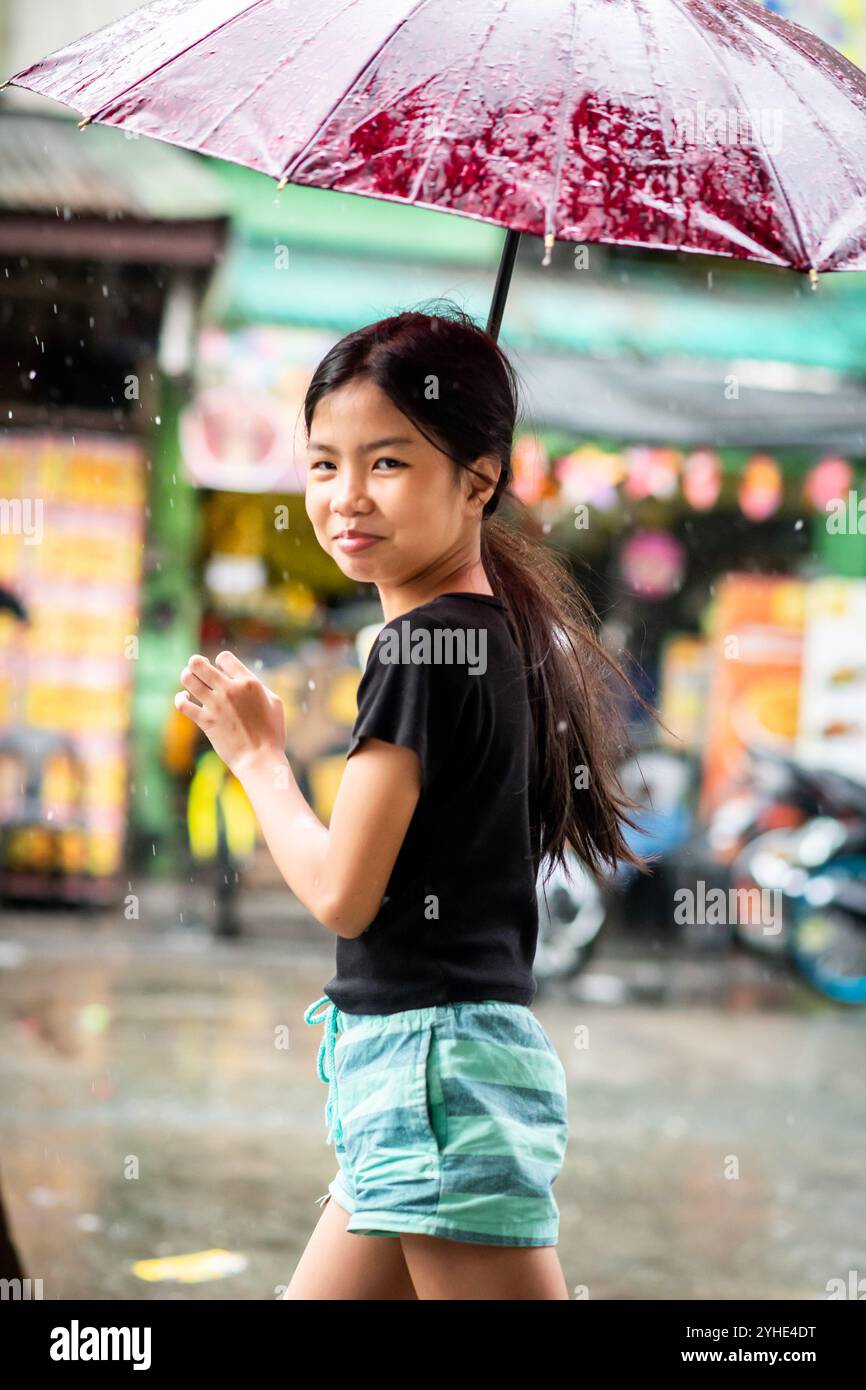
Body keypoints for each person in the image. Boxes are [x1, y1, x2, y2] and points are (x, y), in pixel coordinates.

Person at [174, 301, 647, 1300]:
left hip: (435, 1070)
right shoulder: (494, 630)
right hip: (418, 1063)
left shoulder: (419, 648)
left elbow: (344, 895)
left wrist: (258, 757)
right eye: (322, 463)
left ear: (478, 480)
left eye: (387, 462)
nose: (346, 496)